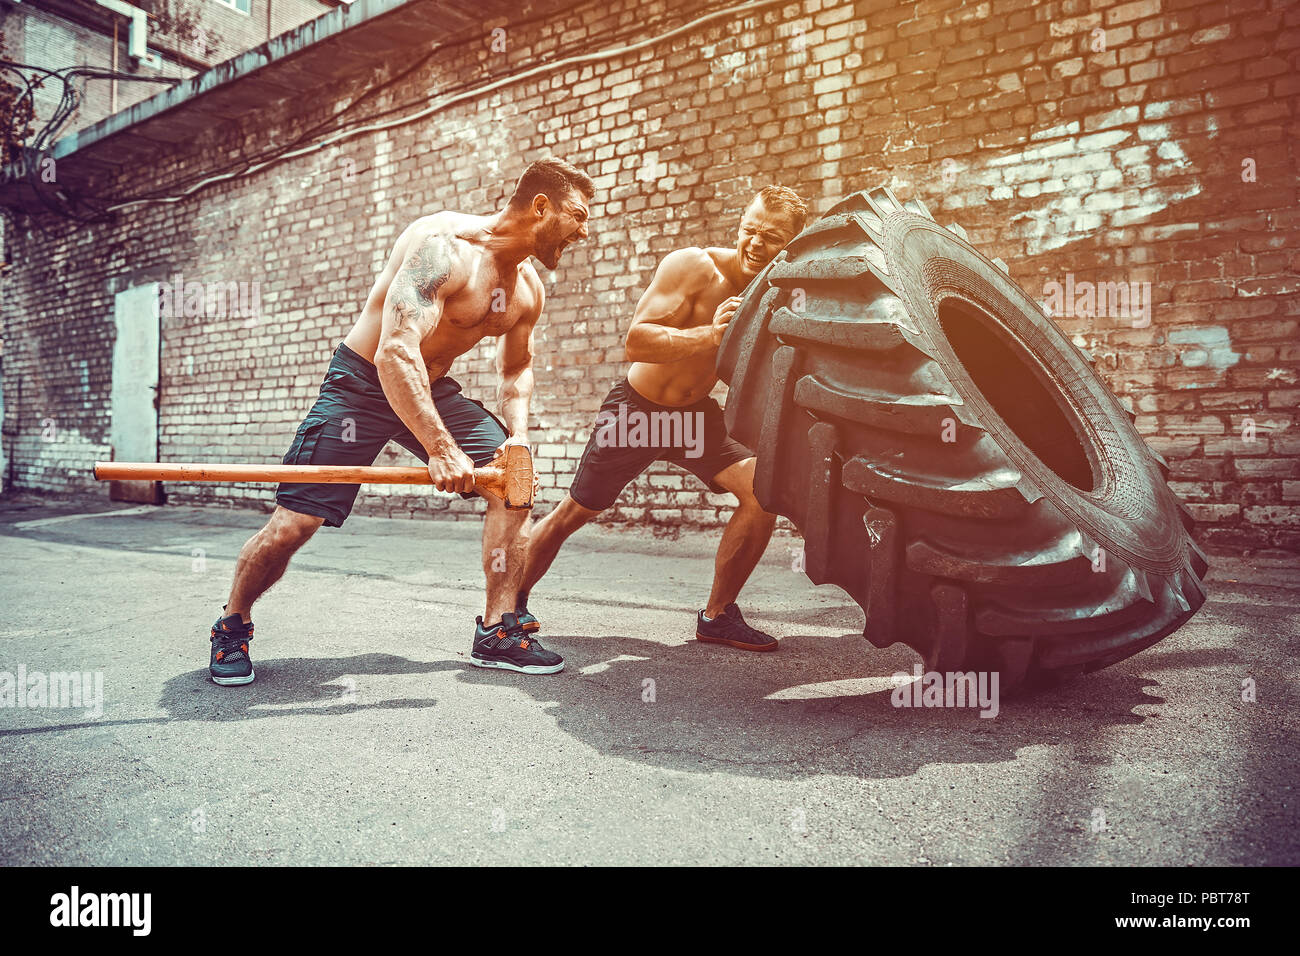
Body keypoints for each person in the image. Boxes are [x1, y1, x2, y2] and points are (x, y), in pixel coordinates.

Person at [208, 158, 594, 685]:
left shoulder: (526, 289)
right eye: (578, 215)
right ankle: (232, 624)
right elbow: (394, 352)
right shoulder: (444, 246)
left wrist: (519, 441)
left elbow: (517, 368)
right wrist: (439, 446)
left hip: (430, 386)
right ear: (542, 206)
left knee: (514, 484)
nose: (584, 230)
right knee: (295, 523)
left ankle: (498, 629)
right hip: (364, 384)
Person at [518, 186, 807, 651]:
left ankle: (716, 616)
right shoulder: (694, 266)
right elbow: (638, 341)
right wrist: (712, 335)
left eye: (770, 238)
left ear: (792, 244)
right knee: (576, 511)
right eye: (749, 230)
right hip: (639, 410)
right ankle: (509, 607)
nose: (755, 244)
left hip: (696, 417)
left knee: (762, 493)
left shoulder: (775, 294)